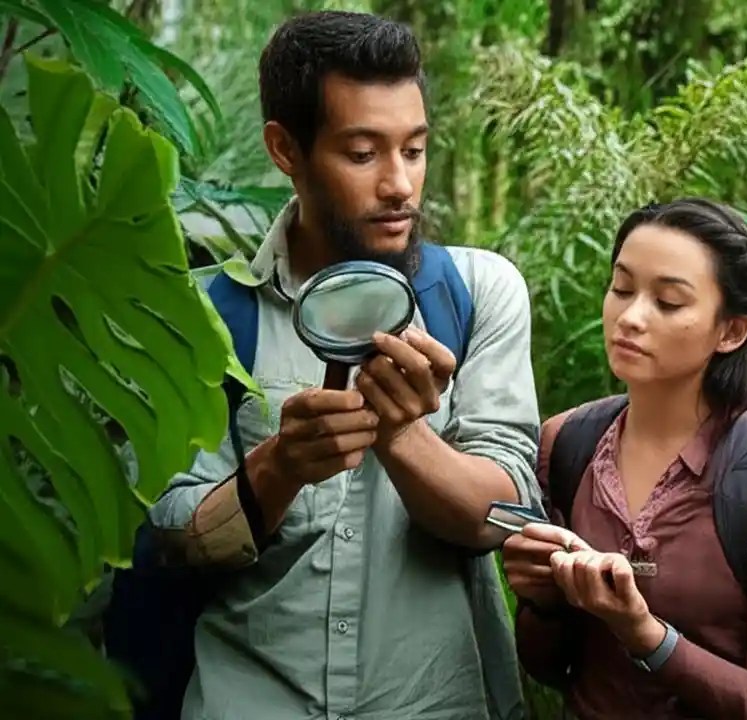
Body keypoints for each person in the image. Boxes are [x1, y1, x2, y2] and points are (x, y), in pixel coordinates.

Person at [145, 11, 540, 719]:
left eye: (414, 151)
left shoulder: (479, 294)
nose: (400, 185)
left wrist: (402, 434)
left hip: (435, 701)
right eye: (363, 154)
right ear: (284, 149)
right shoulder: (204, 315)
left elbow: (507, 514)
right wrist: (281, 465)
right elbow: (174, 534)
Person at [501, 199, 747, 719]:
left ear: (731, 331)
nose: (630, 317)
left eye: (669, 302)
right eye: (622, 288)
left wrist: (646, 636)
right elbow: (550, 667)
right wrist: (543, 601)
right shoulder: (565, 444)